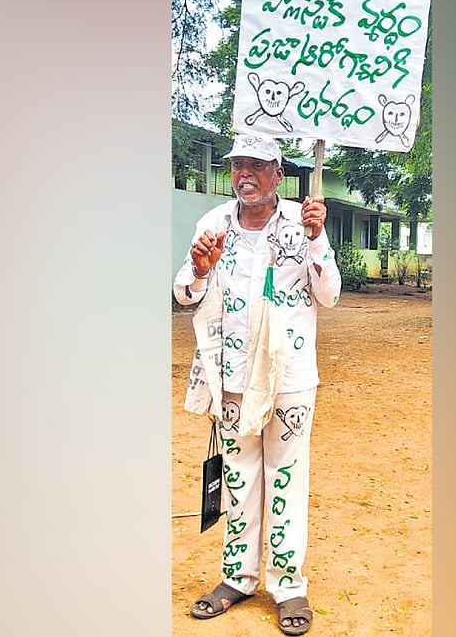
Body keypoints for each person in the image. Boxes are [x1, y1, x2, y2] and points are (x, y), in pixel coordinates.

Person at [174, 134, 341, 636]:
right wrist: (200, 272)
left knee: (287, 478)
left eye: (255, 166)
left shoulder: (302, 221)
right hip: (230, 377)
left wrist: (317, 238)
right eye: (237, 166)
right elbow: (186, 289)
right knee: (240, 477)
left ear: (277, 172)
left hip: (289, 378)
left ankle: (289, 586)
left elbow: (329, 295)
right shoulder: (213, 224)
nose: (243, 174)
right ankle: (238, 578)